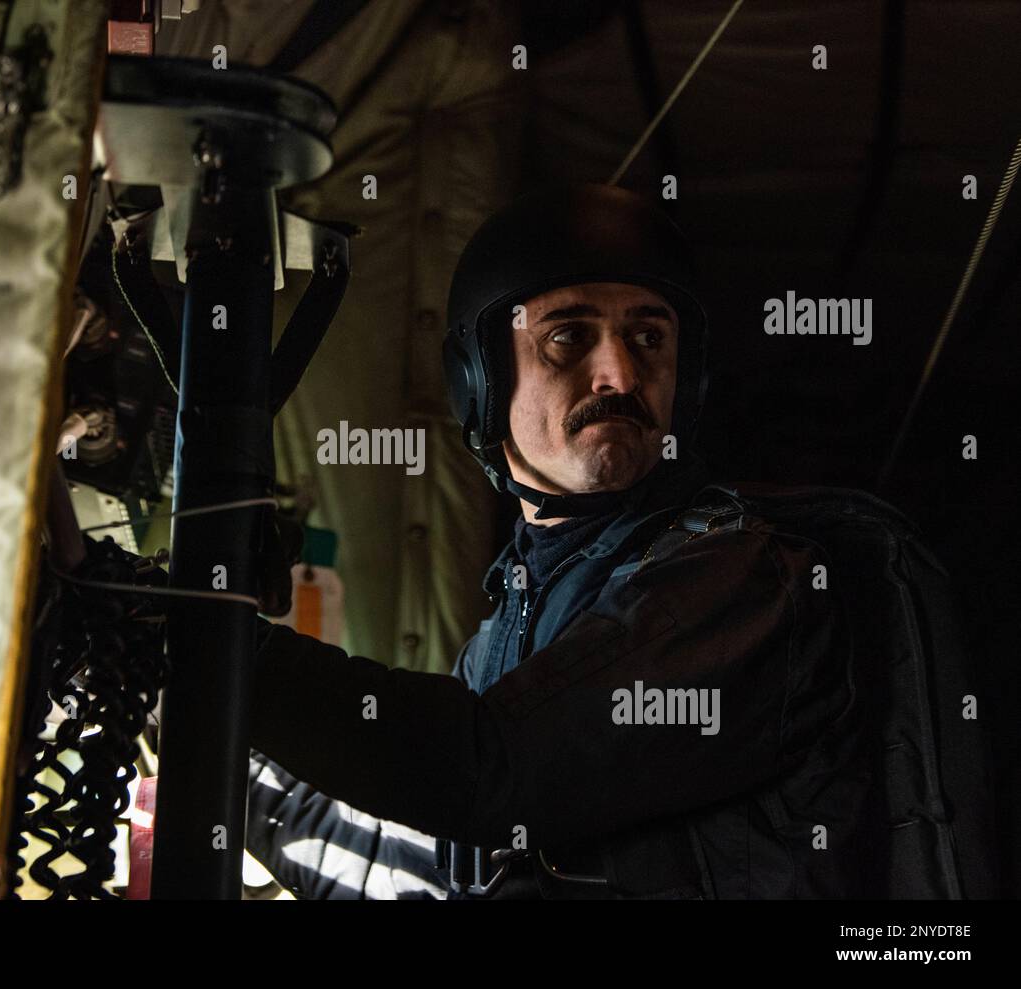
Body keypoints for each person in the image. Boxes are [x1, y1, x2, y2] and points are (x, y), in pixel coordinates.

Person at [243, 183, 994, 899]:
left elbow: (488, 771)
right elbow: (424, 873)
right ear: (479, 381)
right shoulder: (504, 635)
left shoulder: (747, 583)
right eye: (569, 336)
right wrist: (212, 747)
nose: (619, 373)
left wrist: (228, 651)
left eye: (649, 337)